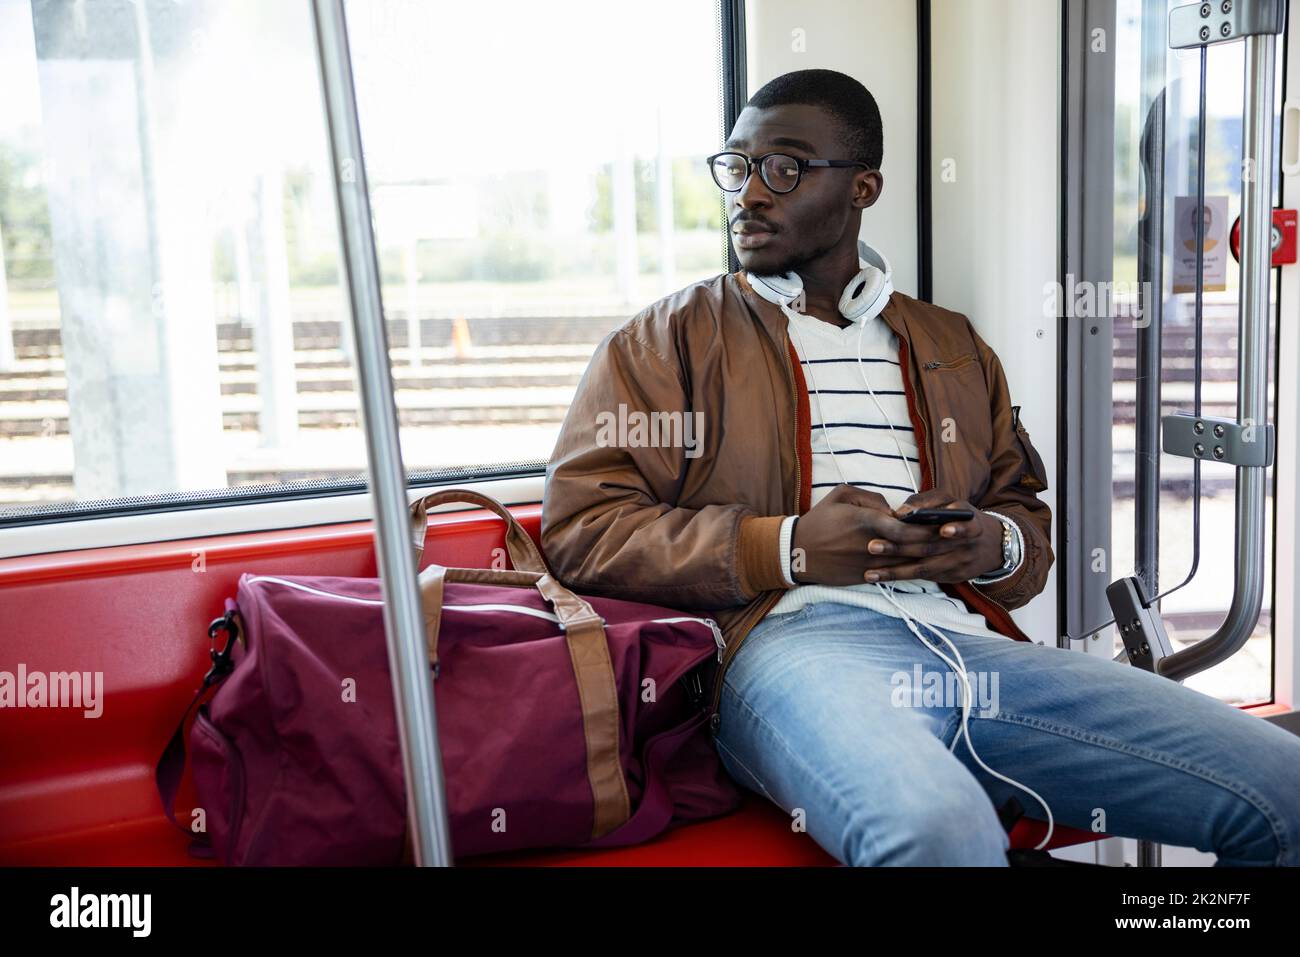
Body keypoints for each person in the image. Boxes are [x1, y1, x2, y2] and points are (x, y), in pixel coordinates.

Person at [541, 68, 1300, 866]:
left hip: (976, 645)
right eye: (737, 167)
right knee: (937, 833)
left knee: (1284, 790)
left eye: (785, 167)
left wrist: (988, 545)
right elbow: (583, 530)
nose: (750, 194)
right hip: (793, 649)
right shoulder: (664, 343)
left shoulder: (950, 344)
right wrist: (789, 546)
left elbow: (1026, 524)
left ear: (863, 186)